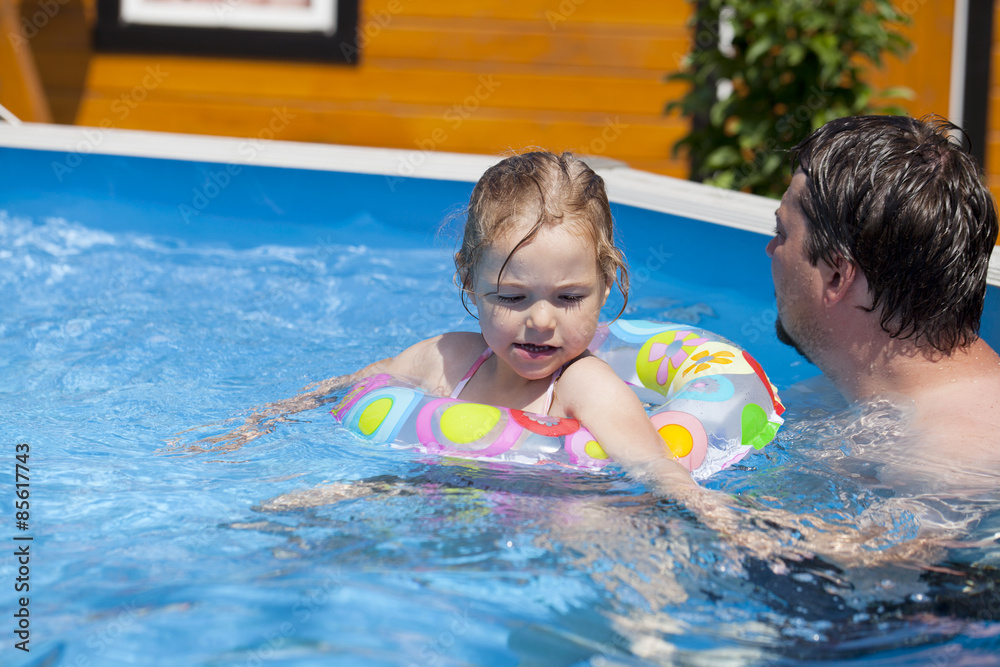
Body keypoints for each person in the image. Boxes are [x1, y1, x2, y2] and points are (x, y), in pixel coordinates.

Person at [200, 151, 699, 493]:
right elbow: (358, 383)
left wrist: (718, 517)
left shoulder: (585, 386)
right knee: (300, 507)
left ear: (606, 284)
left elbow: (653, 465)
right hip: (444, 505)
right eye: (512, 296)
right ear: (468, 280)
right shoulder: (453, 360)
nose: (541, 321)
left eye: (569, 297)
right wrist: (261, 422)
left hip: (550, 516)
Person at [766, 114, 1000, 479]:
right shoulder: (845, 396)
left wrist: (662, 472)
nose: (769, 249)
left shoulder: (951, 462)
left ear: (837, 275)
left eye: (781, 233)